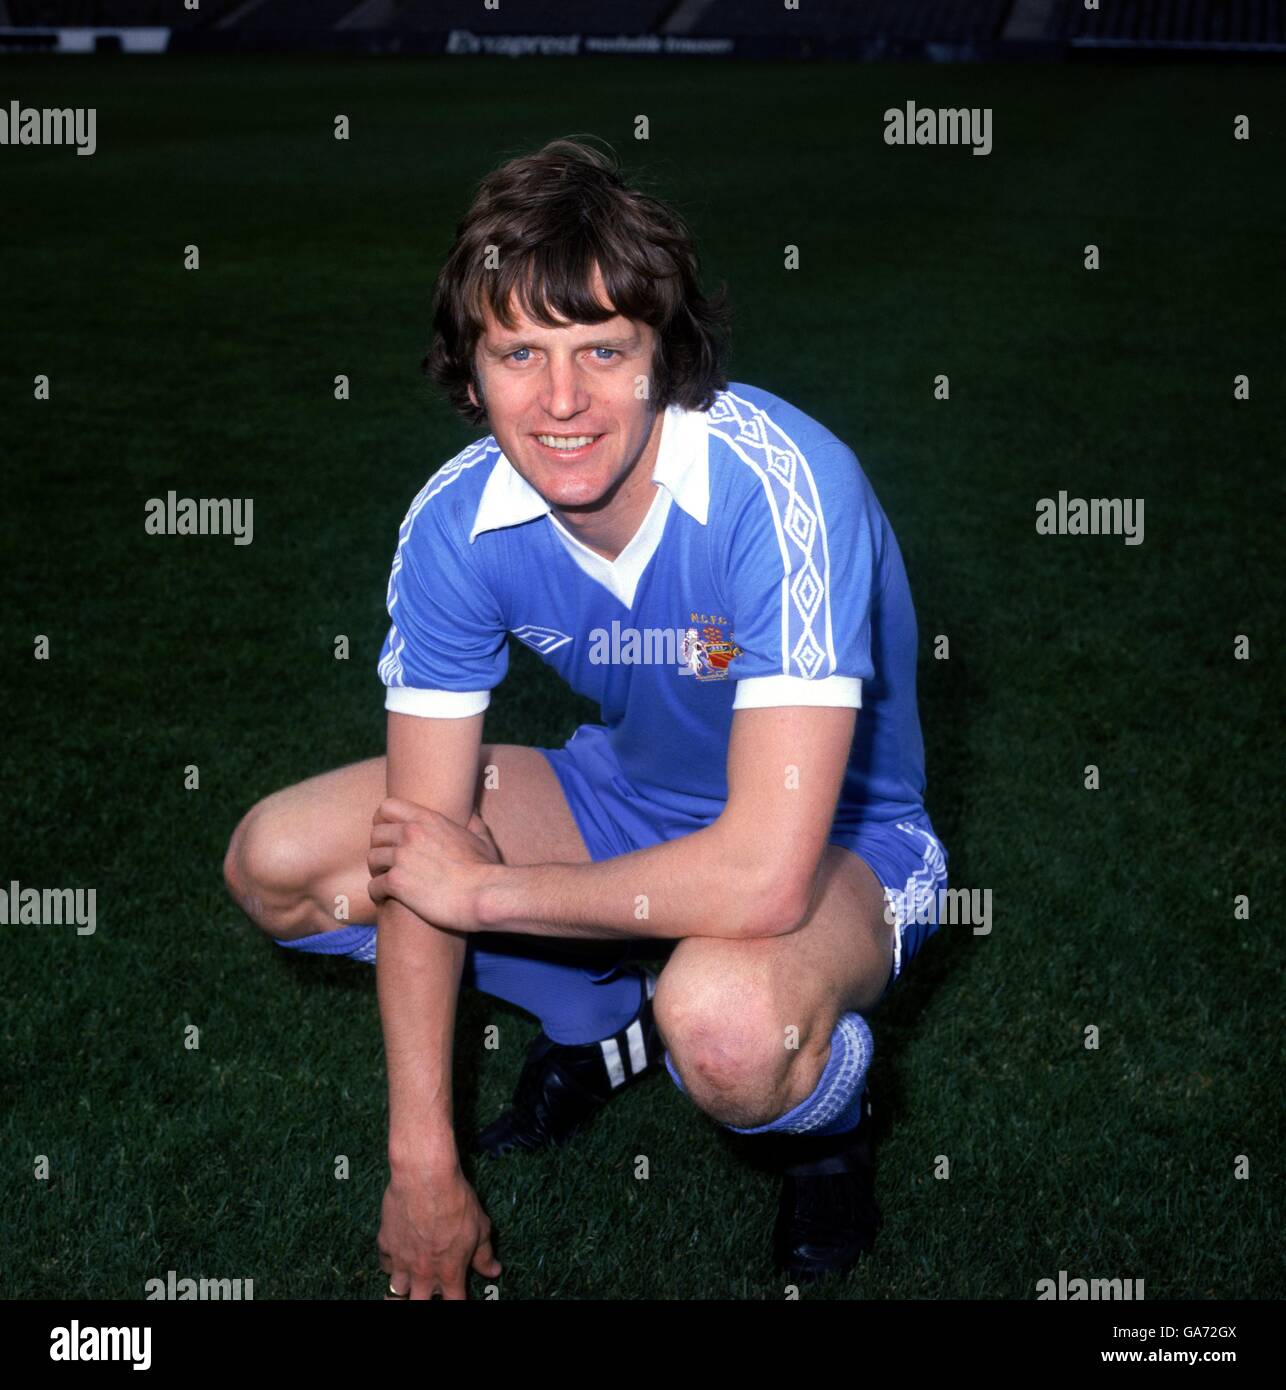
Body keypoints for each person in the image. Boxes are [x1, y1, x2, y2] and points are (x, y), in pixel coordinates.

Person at [223, 136, 948, 1301]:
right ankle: (603, 1014)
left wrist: (489, 893)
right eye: (520, 352)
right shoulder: (454, 526)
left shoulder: (785, 487)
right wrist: (422, 1165)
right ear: (470, 371)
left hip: (843, 838)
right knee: (283, 861)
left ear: (665, 357)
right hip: (627, 795)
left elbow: (764, 877)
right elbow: (420, 840)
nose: (562, 402)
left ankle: (827, 1127)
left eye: (603, 349)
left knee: (719, 1019)